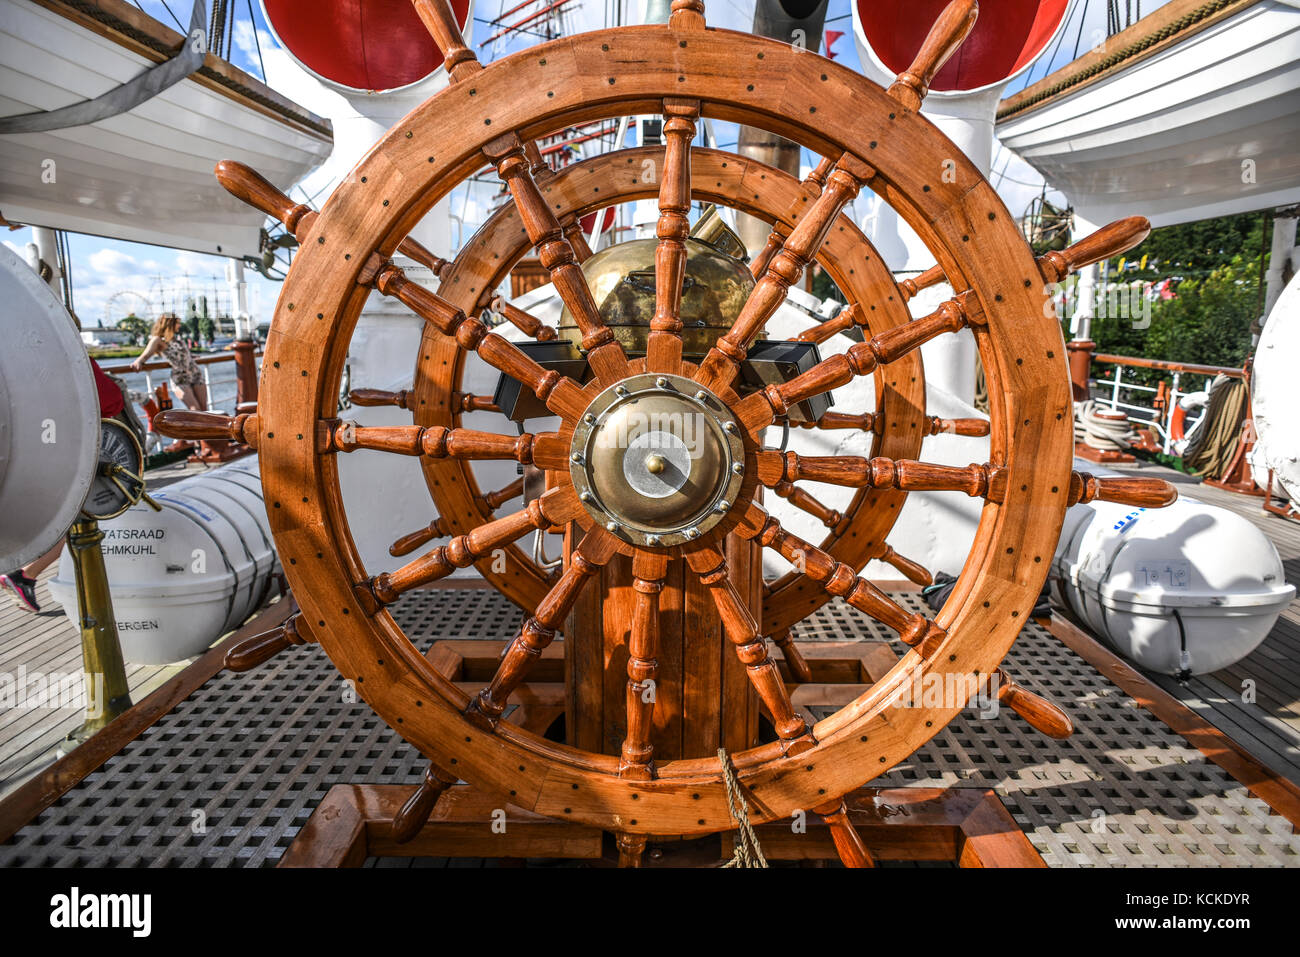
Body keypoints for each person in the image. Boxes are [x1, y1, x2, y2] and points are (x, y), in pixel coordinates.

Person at [1, 359, 126, 612]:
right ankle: (24, 574)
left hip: (29, 450)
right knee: (82, 519)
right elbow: (111, 400)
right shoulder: (72, 357)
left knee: (57, 519)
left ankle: (24, 572)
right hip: (70, 450)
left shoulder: (18, 362)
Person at [129, 313, 208, 412]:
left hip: (195, 374)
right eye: (177, 323)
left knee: (205, 410)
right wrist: (138, 361)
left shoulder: (176, 339)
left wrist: (190, 356)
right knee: (195, 410)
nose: (179, 325)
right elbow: (146, 355)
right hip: (180, 378)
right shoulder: (158, 340)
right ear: (169, 324)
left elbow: (181, 354)